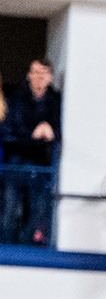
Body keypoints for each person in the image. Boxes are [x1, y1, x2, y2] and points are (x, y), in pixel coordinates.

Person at [1, 58, 59, 247]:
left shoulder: (57, 101)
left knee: (39, 210)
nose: (39, 77)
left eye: (43, 73)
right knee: (9, 210)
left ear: (50, 77)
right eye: (35, 72)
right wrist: (34, 134)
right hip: (15, 162)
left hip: (42, 164)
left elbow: (60, 130)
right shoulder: (16, 98)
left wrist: (50, 131)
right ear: (28, 75)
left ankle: (28, 247)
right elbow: (9, 128)